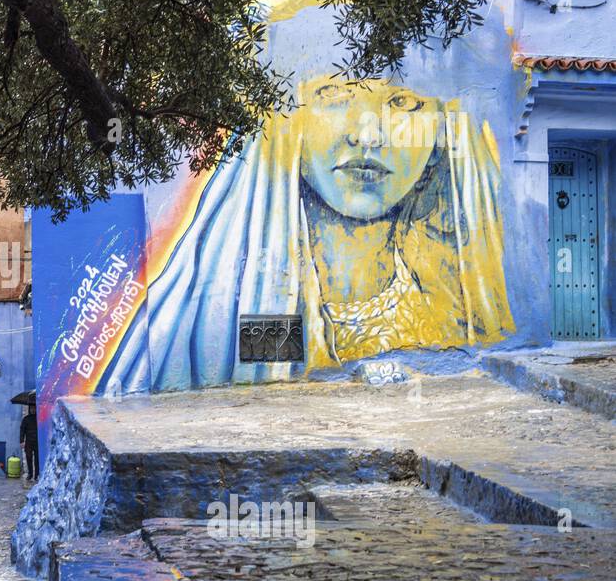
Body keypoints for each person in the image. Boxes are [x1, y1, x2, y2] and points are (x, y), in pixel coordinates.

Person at [100, 75, 514, 391]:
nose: (368, 135)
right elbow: (262, 387)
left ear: (442, 133)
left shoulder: (457, 309)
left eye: (403, 103)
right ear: (286, 124)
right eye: (333, 97)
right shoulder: (255, 300)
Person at [20, 404, 39, 481]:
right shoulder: (26, 419)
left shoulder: (39, 418)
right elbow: (22, 430)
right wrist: (21, 441)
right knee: (29, 458)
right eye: (31, 408)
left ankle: (37, 475)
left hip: (38, 442)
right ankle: (30, 474)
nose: (33, 410)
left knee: (37, 459)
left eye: (34, 408)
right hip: (28, 442)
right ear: (29, 409)